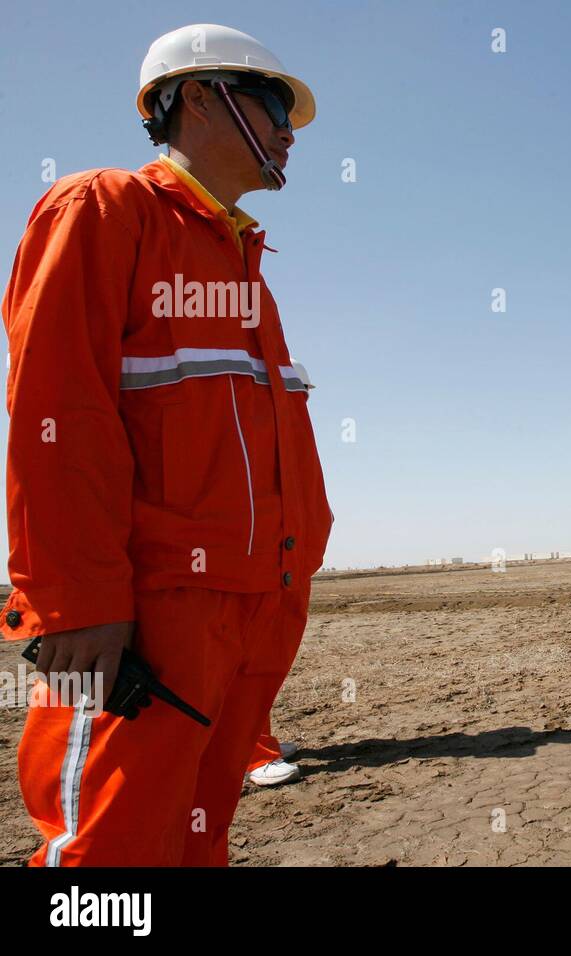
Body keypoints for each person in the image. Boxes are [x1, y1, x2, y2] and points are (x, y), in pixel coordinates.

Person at [2, 23, 331, 866]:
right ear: (196, 96)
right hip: (140, 624)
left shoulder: (243, 261)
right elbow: (55, 412)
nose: (292, 132)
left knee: (195, 838)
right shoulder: (105, 209)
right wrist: (76, 603)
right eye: (274, 104)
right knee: (107, 853)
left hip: (252, 608)